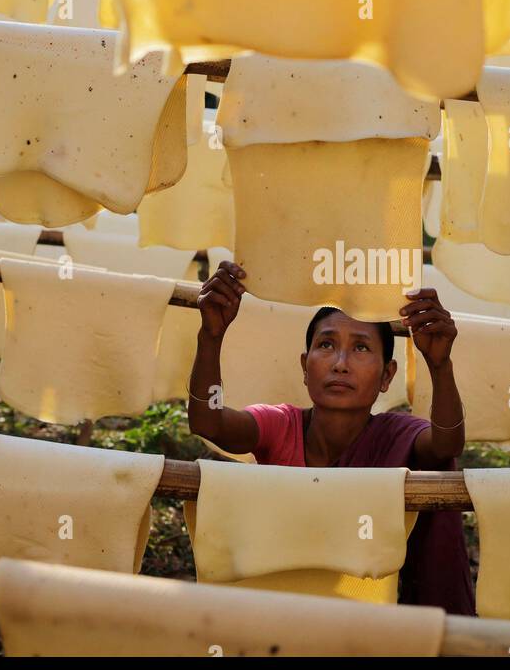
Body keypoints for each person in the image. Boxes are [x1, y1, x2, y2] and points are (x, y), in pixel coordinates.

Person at [187, 261, 476, 615]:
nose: (341, 363)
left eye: (361, 348)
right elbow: (209, 423)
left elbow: (447, 444)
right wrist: (210, 337)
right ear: (305, 366)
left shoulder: (395, 434)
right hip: (278, 608)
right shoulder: (281, 425)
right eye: (326, 344)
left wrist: (440, 365)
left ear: (387, 376)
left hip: (366, 615)